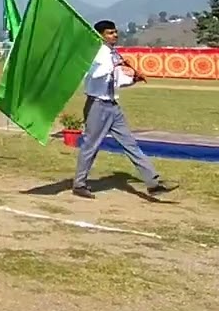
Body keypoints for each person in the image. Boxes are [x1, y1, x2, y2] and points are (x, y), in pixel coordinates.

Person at [73, 20, 179, 199]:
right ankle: (79, 184)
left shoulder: (113, 54)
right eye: (109, 33)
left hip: (113, 106)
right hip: (97, 105)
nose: (114, 35)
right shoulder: (94, 54)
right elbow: (94, 74)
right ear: (100, 35)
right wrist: (113, 65)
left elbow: (116, 80)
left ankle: (153, 183)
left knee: (131, 145)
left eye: (115, 32)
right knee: (91, 146)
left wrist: (133, 79)